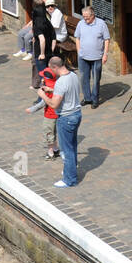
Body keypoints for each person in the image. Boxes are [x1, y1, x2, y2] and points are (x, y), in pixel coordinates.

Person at [43, 56, 82, 188]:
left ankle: (69, 179)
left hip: (66, 117)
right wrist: (53, 90)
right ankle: (70, 169)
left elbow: (54, 104)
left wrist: (43, 95)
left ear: (55, 67)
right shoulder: (73, 75)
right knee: (73, 145)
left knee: (67, 150)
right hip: (76, 114)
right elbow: (67, 91)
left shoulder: (60, 82)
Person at [72, 6, 110, 106]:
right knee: (84, 78)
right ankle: (87, 98)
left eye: (87, 17)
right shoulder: (81, 23)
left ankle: (95, 99)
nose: (85, 19)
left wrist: (105, 54)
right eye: (83, 16)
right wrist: (79, 51)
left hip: (97, 57)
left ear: (93, 15)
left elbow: (106, 39)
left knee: (96, 79)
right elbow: (77, 38)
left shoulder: (101, 24)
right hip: (83, 57)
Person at [26, 61, 61, 160]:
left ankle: (50, 153)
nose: (41, 80)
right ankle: (55, 149)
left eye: (43, 78)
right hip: (57, 115)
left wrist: (32, 109)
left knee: (48, 134)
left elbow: (43, 103)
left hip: (50, 115)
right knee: (53, 133)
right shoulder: (57, 86)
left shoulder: (47, 90)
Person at [30, 0, 54, 85]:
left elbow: (42, 39)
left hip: (41, 53)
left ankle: (43, 98)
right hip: (49, 51)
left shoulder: (37, 23)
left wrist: (42, 53)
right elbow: (53, 36)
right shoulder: (47, 21)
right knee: (48, 76)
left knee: (44, 78)